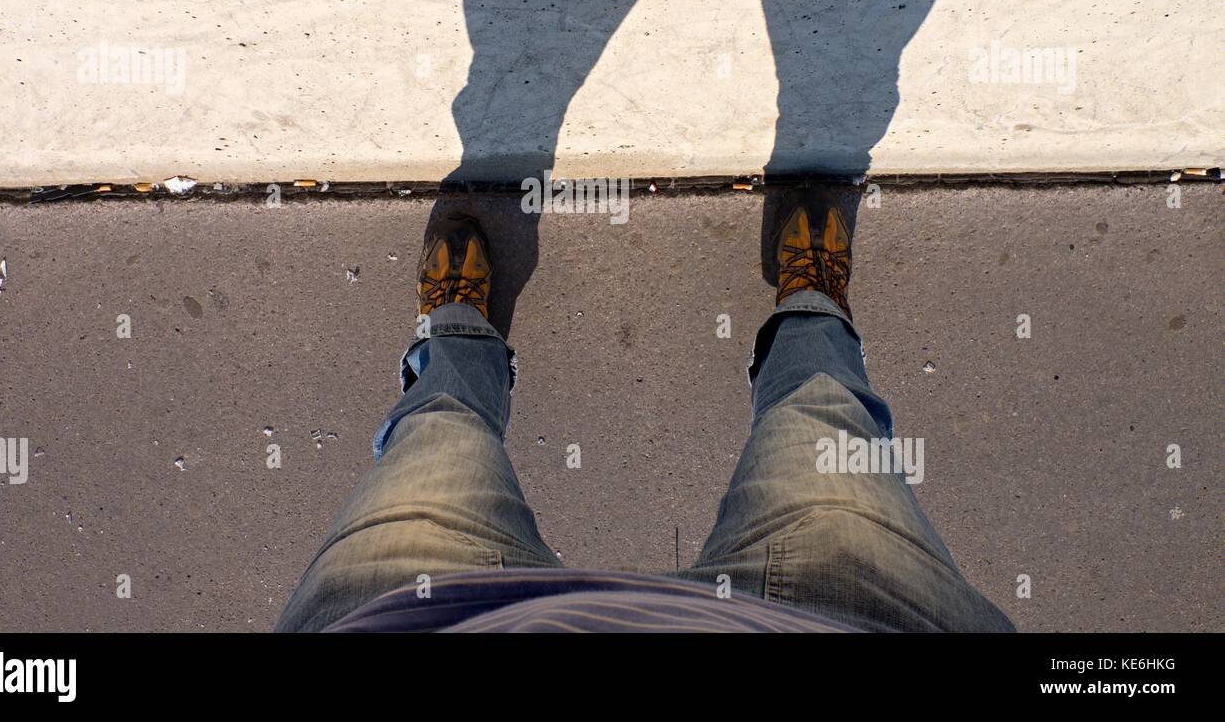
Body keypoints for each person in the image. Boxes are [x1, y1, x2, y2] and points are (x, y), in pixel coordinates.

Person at [276, 189, 1014, 632]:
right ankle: (811, 302)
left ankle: (459, 332)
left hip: (425, 613)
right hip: (843, 613)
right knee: (820, 413)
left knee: (438, 435)